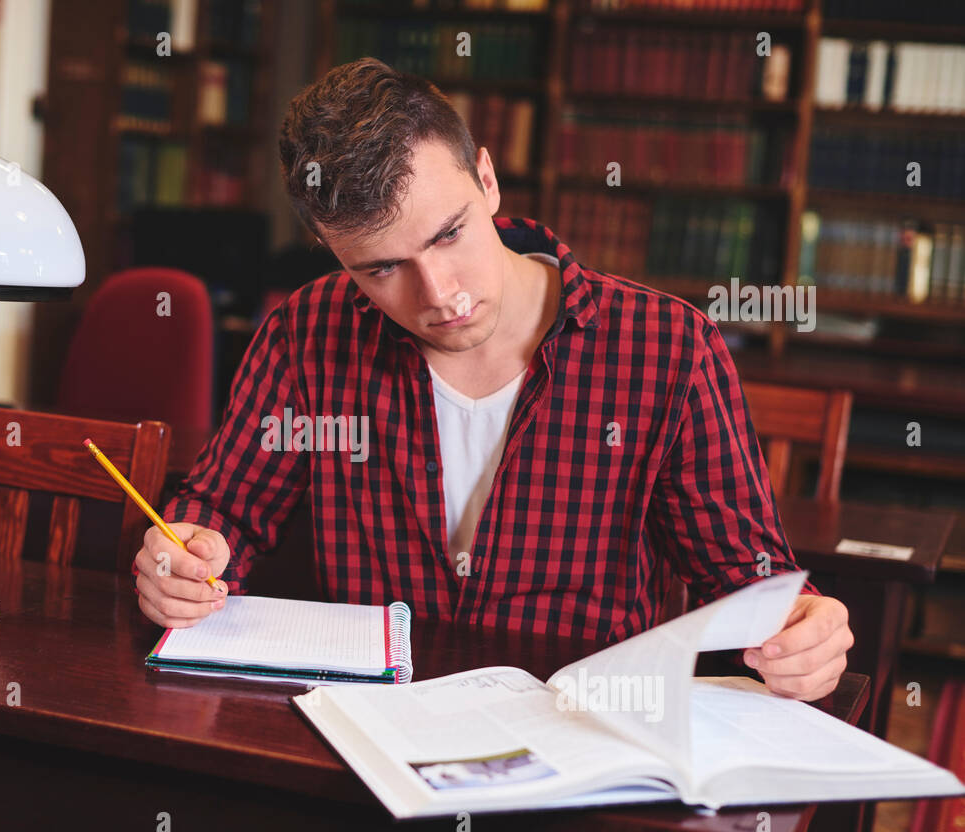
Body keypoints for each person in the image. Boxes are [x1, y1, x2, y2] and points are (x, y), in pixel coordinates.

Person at [133, 58, 852, 702]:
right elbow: (222, 511)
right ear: (331, 251)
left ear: (486, 178)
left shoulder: (668, 349)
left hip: (580, 748)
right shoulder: (307, 334)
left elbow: (747, 580)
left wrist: (801, 628)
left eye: (449, 234)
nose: (440, 294)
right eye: (382, 268)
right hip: (372, 739)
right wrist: (184, 557)